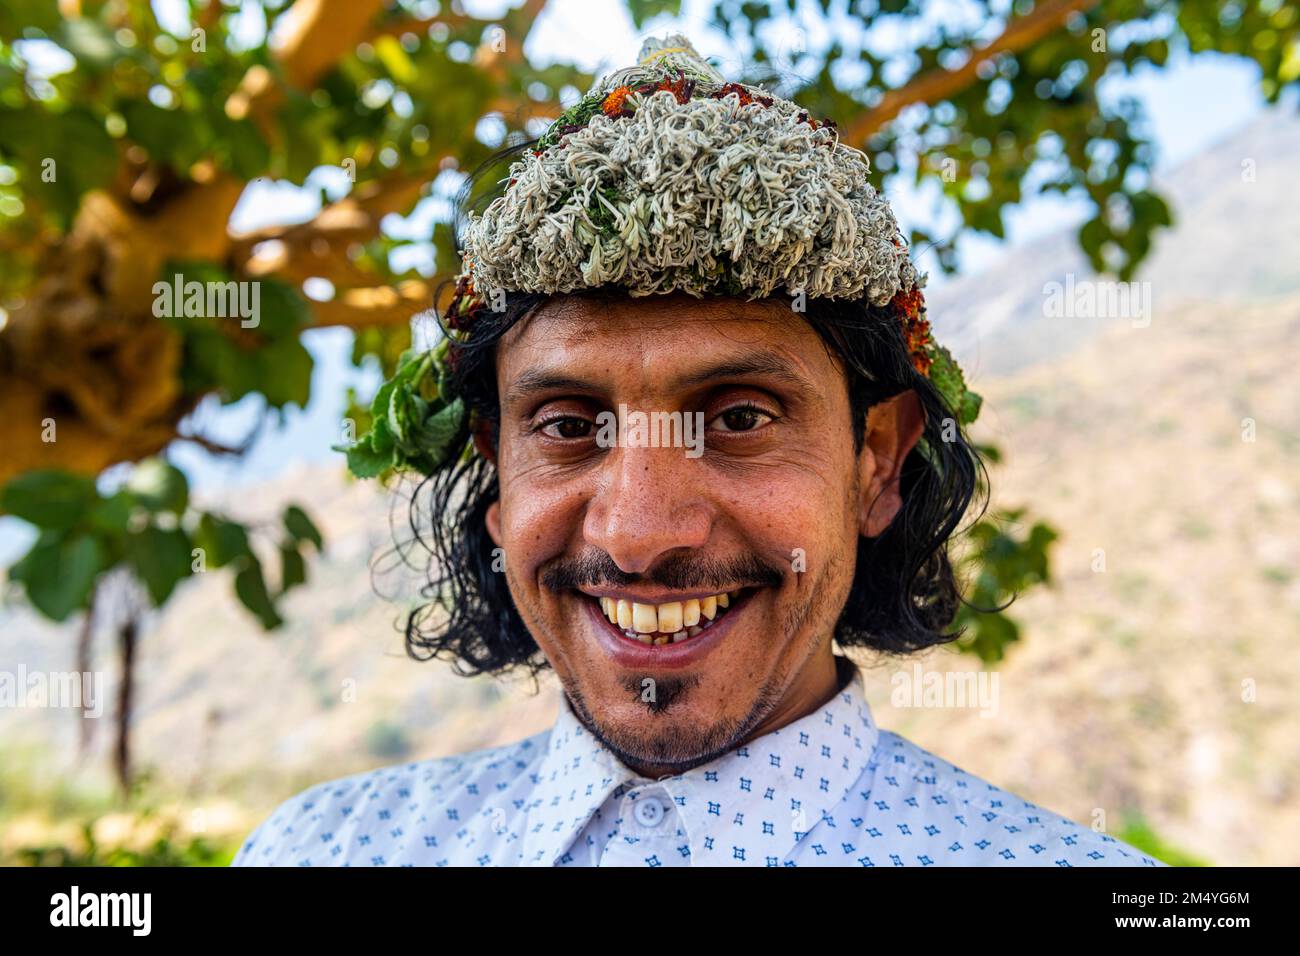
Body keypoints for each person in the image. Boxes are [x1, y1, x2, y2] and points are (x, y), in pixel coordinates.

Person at [232, 35, 1163, 867]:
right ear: (497, 473)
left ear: (876, 459)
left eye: (741, 417)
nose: (639, 536)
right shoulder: (323, 849)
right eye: (566, 426)